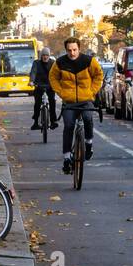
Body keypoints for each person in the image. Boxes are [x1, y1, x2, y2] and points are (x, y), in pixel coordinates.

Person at [49, 37, 104, 173]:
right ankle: (67, 157)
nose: (72, 53)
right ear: (66, 50)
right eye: (69, 50)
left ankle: (88, 143)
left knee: (88, 118)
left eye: (74, 50)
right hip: (69, 101)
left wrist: (92, 91)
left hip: (86, 99)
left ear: (79, 48)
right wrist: (61, 92)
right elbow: (53, 77)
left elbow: (98, 75)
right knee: (68, 126)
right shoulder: (60, 62)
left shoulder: (89, 61)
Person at [29, 48, 58, 131]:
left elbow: (56, 73)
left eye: (47, 55)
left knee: (52, 101)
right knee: (37, 103)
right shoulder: (36, 63)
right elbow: (33, 72)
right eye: (43, 55)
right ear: (41, 56)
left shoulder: (53, 63)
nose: (45, 57)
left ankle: (53, 121)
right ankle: (35, 122)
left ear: (49, 56)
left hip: (50, 85)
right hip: (39, 85)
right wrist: (31, 81)